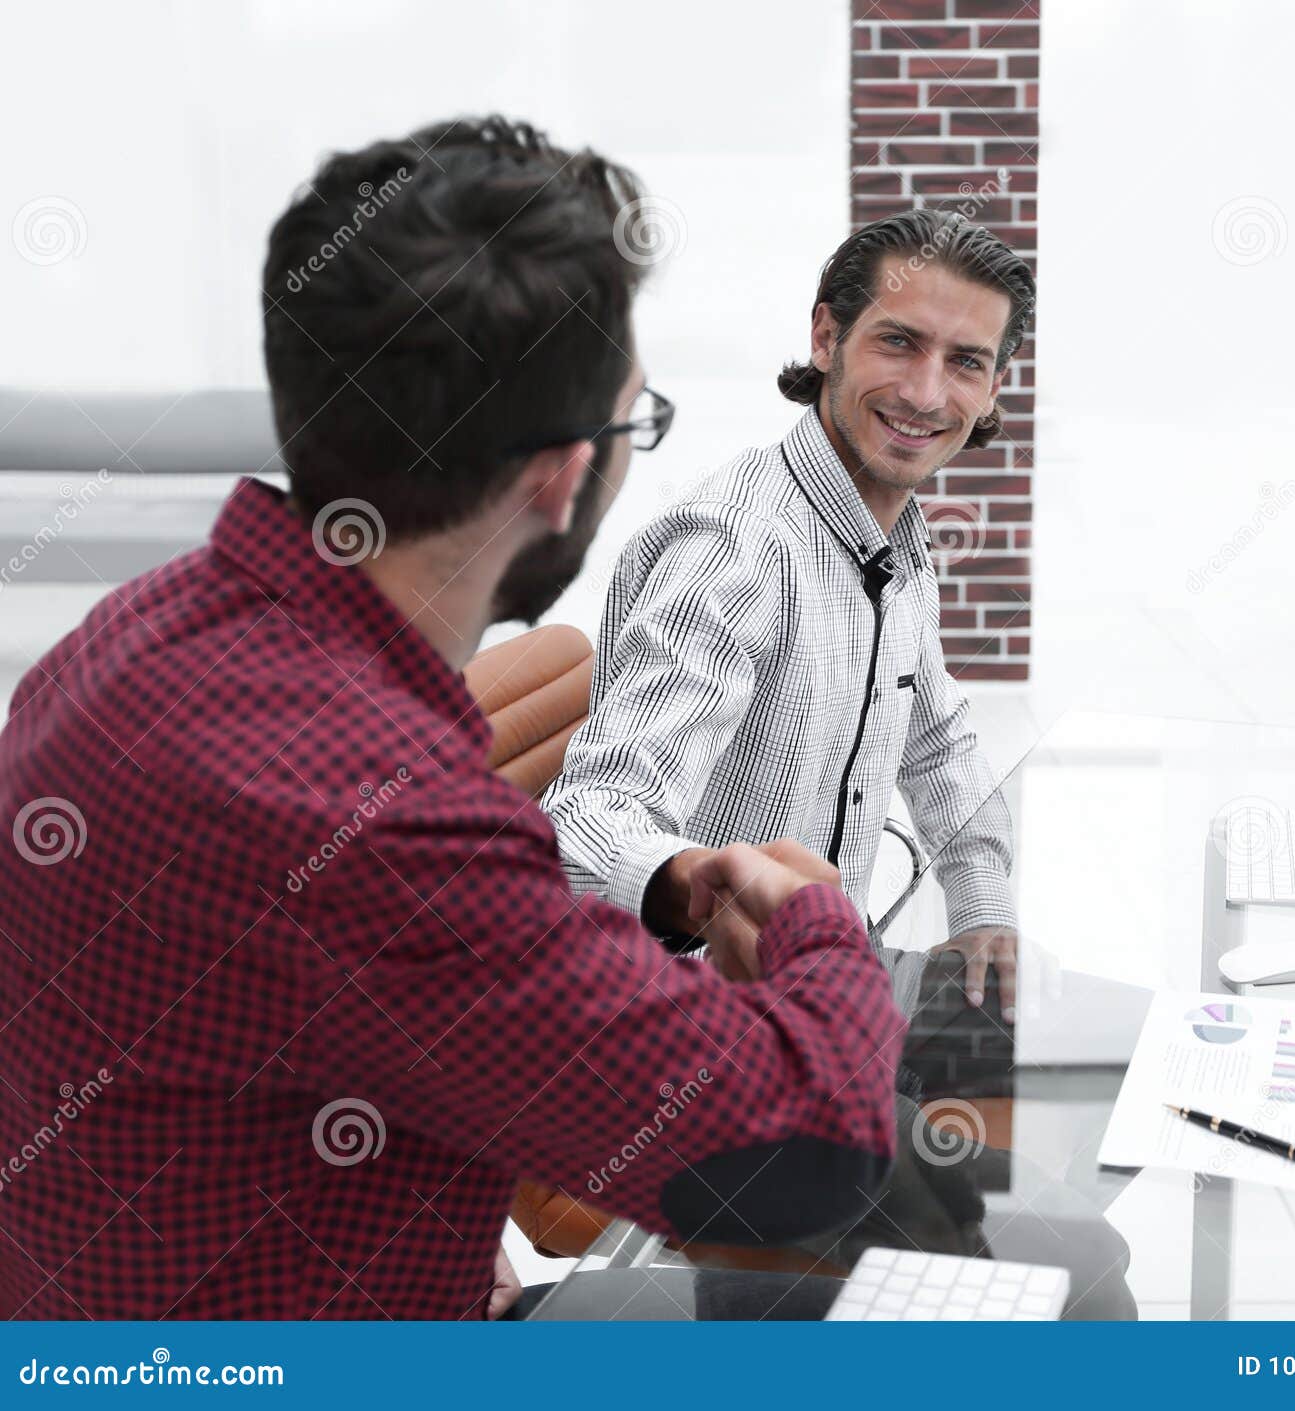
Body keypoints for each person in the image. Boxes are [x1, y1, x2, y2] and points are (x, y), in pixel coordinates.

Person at [0, 116, 902, 1321]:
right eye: (637, 424)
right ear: (561, 474)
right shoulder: (390, 837)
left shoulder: (114, 643)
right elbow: (803, 1160)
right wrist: (817, 924)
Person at [543, 211, 1032, 1017]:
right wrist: (699, 885)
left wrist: (982, 900)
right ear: (826, 337)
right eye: (899, 342)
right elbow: (583, 826)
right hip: (690, 1028)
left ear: (990, 391)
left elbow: (939, 740)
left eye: (966, 361)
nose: (925, 393)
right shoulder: (739, 549)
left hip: (826, 998)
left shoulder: (898, 539)